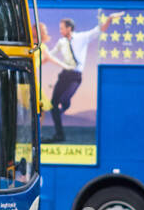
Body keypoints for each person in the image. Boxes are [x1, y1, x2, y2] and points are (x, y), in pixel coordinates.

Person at [42, 11, 120, 142]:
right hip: (64, 75)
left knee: (64, 100)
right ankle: (59, 135)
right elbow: (50, 55)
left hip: (75, 76)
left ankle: (63, 109)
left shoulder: (81, 37)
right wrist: (38, 63)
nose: (60, 30)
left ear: (69, 28)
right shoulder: (61, 42)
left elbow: (100, 29)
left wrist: (110, 19)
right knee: (53, 103)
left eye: (62, 28)